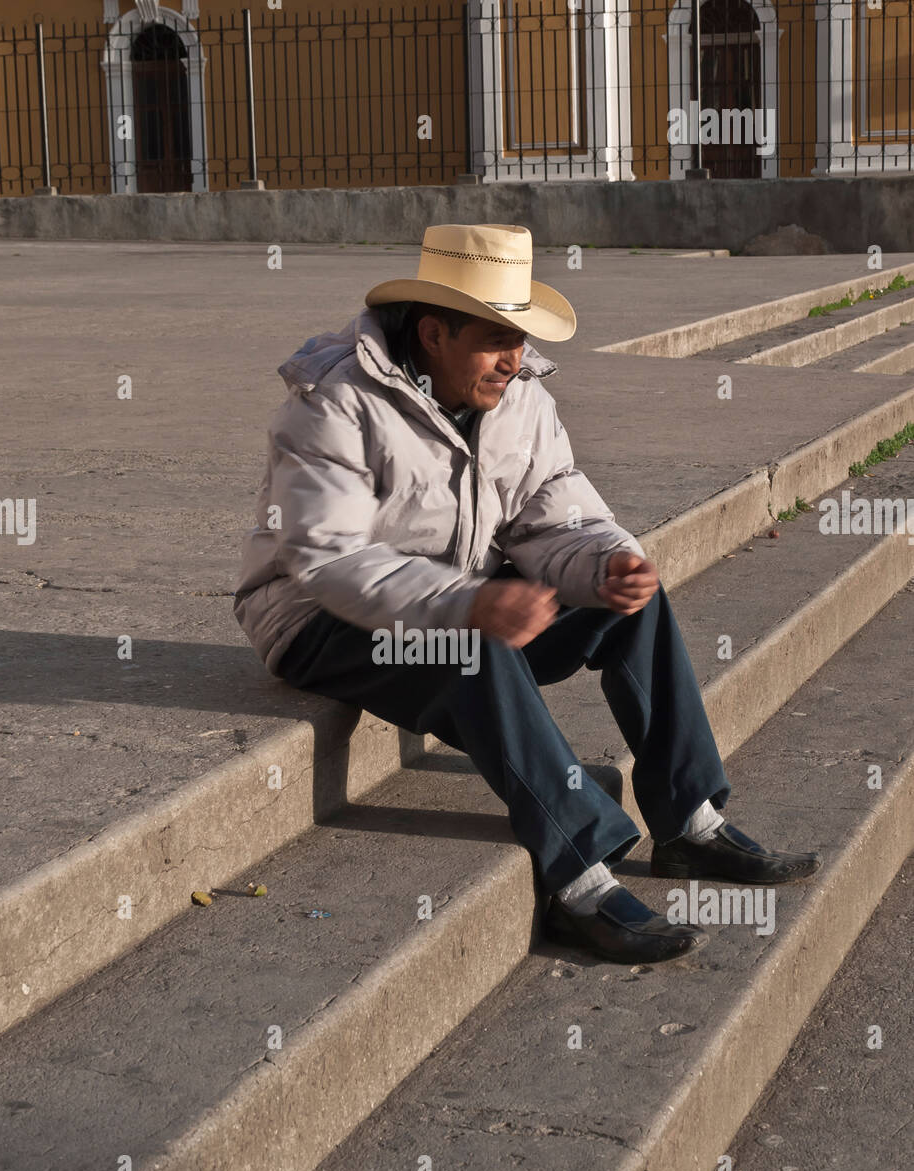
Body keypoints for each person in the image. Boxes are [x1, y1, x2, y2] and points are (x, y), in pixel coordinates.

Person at [234, 223, 820, 965]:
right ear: (433, 331)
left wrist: (608, 562)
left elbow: (554, 506)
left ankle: (687, 823)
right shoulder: (334, 400)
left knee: (629, 602)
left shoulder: (518, 397)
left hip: (458, 595)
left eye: (518, 338)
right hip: (318, 619)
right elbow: (326, 557)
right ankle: (579, 879)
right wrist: (464, 604)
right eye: (494, 339)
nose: (513, 359)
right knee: (472, 647)